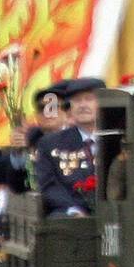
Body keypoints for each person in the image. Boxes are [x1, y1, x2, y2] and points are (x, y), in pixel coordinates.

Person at [34, 78, 103, 217]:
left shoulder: (118, 138)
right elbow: (49, 186)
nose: (83, 105)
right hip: (70, 215)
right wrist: (74, 210)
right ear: (70, 108)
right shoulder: (50, 143)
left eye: (89, 99)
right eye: (77, 100)